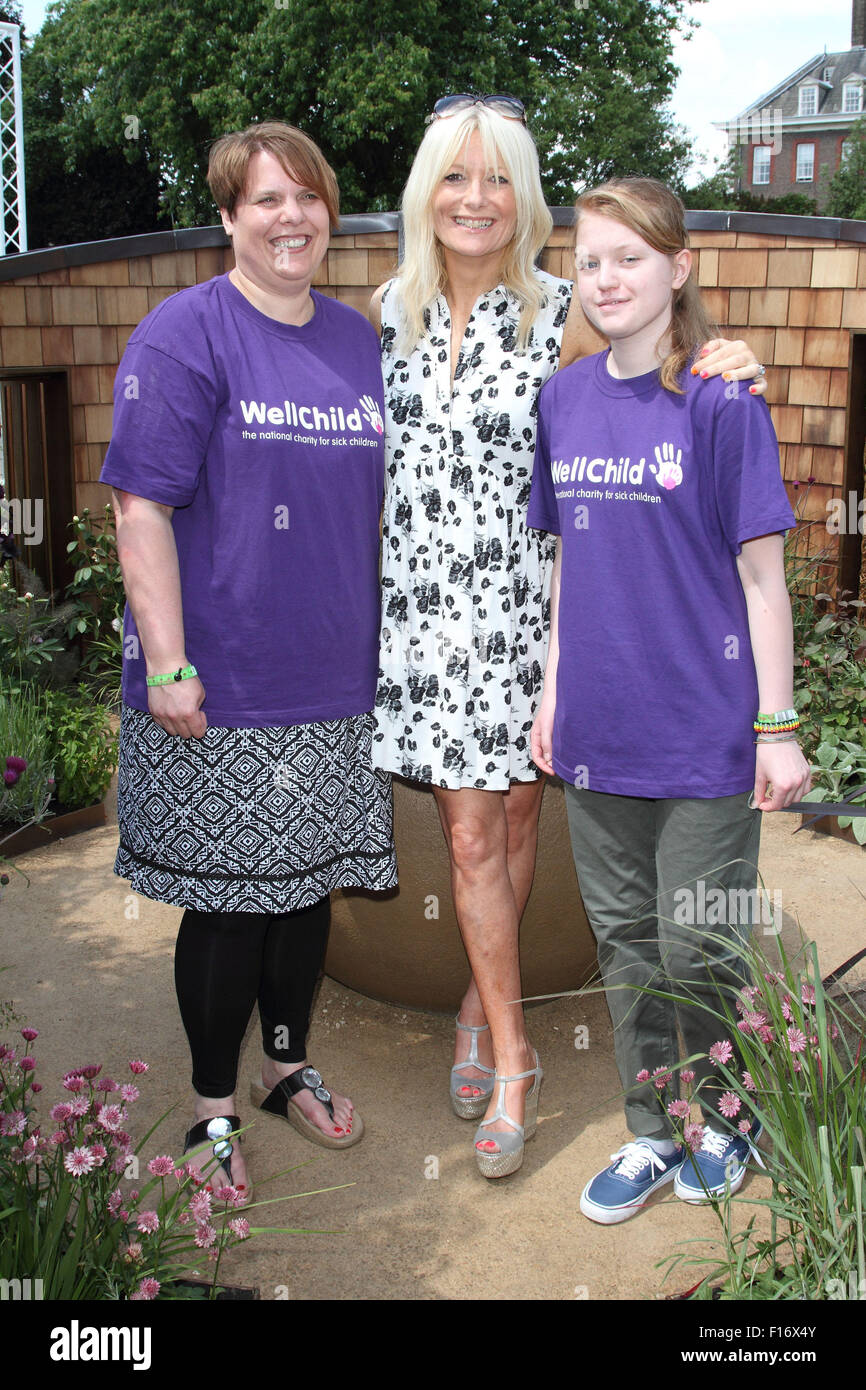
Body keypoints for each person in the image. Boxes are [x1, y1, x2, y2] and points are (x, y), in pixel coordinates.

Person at [369, 95, 770, 1178]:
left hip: (541, 614)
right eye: (454, 177)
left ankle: (474, 987)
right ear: (424, 193)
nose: (474, 199)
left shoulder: (566, 308)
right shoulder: (383, 315)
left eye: (497, 177)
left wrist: (734, 357)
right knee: (465, 838)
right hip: (425, 621)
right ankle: (513, 1056)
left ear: (523, 195)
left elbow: (662, 366)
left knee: (508, 821)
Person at [100, 122, 396, 1201]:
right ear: (227, 216)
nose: (291, 217)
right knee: (227, 902)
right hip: (217, 686)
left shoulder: (356, 342)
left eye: (308, 197)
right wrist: (169, 663)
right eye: (265, 200)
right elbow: (140, 507)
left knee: (303, 892)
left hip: (333, 681)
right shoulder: (184, 335)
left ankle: (284, 1067)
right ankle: (212, 1106)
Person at [528, 176, 811, 1221]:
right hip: (599, 731)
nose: (605, 277)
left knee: (701, 937)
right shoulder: (560, 398)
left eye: (629, 258)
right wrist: (553, 693)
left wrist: (775, 726)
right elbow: (563, 567)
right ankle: (652, 1128)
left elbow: (760, 574)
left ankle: (728, 1112)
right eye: (589, 259)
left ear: (677, 268)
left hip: (705, 731)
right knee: (627, 943)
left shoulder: (719, 399)